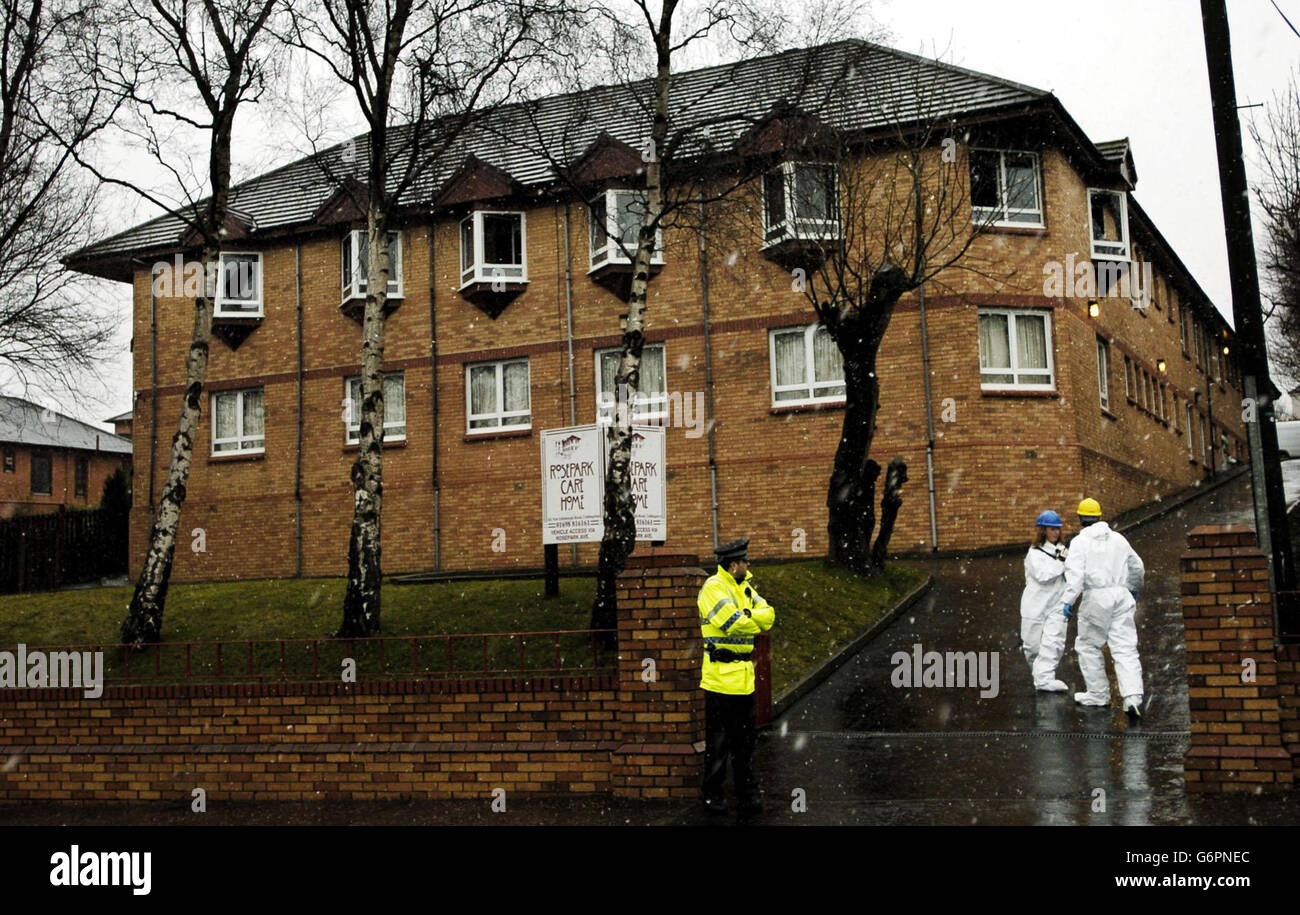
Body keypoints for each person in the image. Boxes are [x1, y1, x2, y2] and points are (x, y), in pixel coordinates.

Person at [697, 537, 775, 814]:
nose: (748, 564)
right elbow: (731, 623)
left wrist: (747, 616)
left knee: (745, 744)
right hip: (719, 679)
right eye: (745, 561)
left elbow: (769, 615)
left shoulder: (745, 588)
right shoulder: (713, 587)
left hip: (743, 679)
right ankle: (712, 796)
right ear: (733, 565)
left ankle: (747, 794)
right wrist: (752, 619)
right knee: (718, 743)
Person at [1059, 498, 1147, 718]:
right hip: (1121, 595)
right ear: (1099, 516)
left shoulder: (1080, 542)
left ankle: (1098, 694)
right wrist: (1133, 588)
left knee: (1088, 645)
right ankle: (1132, 697)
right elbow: (1137, 566)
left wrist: (1068, 601)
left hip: (1096, 597)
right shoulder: (1118, 539)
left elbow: (1075, 575)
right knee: (1125, 648)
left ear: (1080, 518)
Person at [1021, 510, 1070, 692]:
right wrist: (1061, 562)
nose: (1056, 532)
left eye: (1058, 529)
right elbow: (1043, 575)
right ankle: (1039, 676)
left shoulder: (1063, 551)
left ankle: (1045, 678)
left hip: (1056, 604)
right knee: (1032, 646)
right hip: (1035, 605)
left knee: (1054, 642)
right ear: (1043, 530)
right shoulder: (1034, 553)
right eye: (1052, 529)